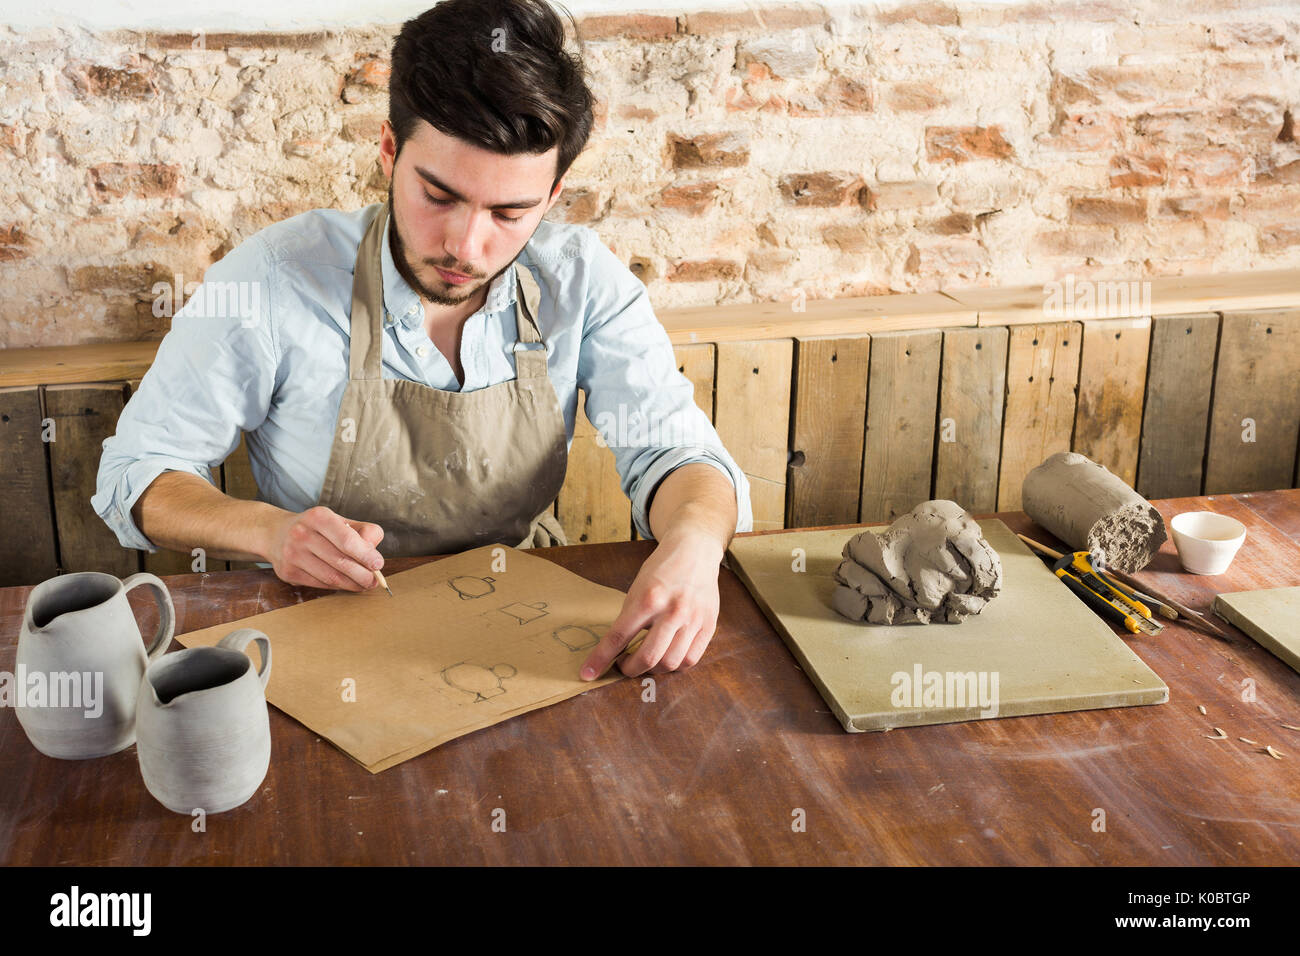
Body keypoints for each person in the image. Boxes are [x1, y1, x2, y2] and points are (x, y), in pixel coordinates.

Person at [92, 0, 753, 680]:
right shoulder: (271, 282)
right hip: (320, 629)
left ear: (552, 197)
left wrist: (696, 545)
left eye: (509, 212)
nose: (466, 246)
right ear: (389, 151)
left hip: (521, 629)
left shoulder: (581, 280)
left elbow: (678, 452)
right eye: (437, 195)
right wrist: (269, 531)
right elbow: (140, 472)